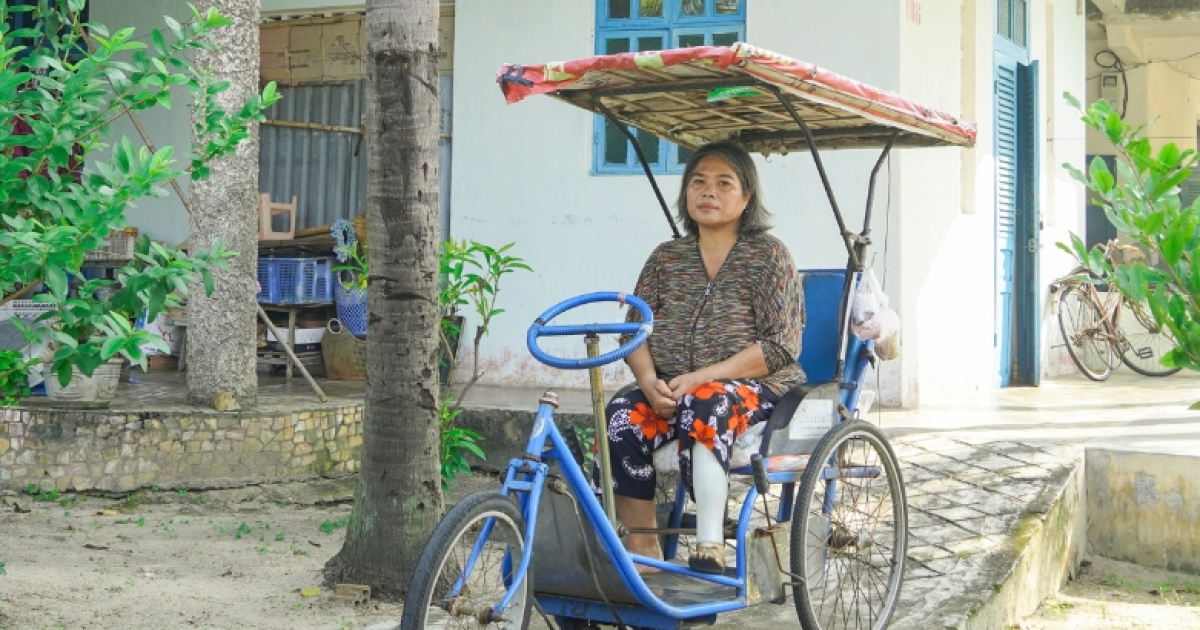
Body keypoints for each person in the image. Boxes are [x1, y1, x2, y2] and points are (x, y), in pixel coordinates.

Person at [597, 141, 804, 575]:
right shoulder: (666, 258)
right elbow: (636, 330)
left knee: (706, 399)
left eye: (723, 183)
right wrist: (650, 380)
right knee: (619, 414)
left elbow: (780, 345)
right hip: (672, 388)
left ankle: (710, 545)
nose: (708, 191)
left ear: (746, 197)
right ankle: (644, 548)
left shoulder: (768, 256)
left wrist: (699, 377)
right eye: (698, 182)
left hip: (754, 389)